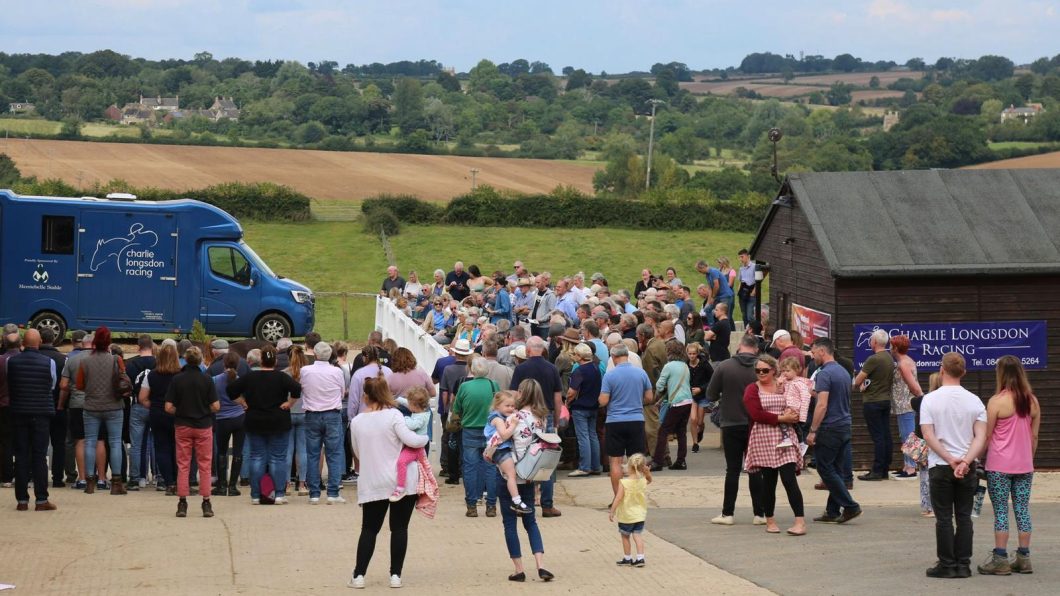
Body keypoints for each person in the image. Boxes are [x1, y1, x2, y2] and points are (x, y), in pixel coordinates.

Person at [348, 373, 429, 589]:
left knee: (369, 529)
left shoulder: (356, 422)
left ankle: (359, 575)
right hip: (401, 480)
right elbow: (411, 439)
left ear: (366, 396)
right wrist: (425, 438)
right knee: (399, 528)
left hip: (373, 480)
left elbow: (357, 451)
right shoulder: (394, 415)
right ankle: (395, 575)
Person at [920, 352, 987, 579]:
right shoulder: (975, 400)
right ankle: (963, 563)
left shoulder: (930, 399)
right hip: (967, 466)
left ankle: (947, 563)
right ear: (964, 372)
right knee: (964, 516)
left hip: (940, 464)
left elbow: (928, 435)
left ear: (942, 370)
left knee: (944, 518)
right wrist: (966, 460)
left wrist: (949, 459)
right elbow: (980, 437)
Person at [977, 355, 1040, 575]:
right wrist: (1027, 459)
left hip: (999, 466)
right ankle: (1024, 556)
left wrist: (979, 458)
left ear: (1001, 374)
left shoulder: (996, 401)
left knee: (1001, 511)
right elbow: (1033, 437)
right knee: (1022, 509)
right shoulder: (1031, 401)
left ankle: (1000, 558)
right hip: (1024, 465)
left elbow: (987, 435)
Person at [227, 344, 302, 505]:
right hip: (278, 420)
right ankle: (279, 493)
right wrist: (289, 403)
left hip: (255, 420)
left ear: (261, 361)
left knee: (257, 457)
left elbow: (231, 390)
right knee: (278, 458)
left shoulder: (250, 377)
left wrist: (242, 402)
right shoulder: (281, 377)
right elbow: (297, 388)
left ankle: (255, 495)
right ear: (275, 361)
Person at [497, 380, 554, 583]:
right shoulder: (542, 418)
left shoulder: (515, 416)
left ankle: (519, 568)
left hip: (511, 473)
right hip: (530, 473)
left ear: (523, 393)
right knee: (531, 521)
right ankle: (541, 564)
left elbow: (501, 439)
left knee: (510, 524)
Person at [743, 355, 806, 536]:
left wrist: (792, 414)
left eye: (765, 370)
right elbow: (755, 414)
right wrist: (780, 418)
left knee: (789, 479)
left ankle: (800, 521)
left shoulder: (784, 386)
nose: (761, 374)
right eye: (758, 371)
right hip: (763, 437)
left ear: (773, 370)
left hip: (785, 437)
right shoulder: (752, 389)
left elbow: (799, 398)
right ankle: (770, 520)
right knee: (768, 483)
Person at [706, 335, 765, 525]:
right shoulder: (763, 368)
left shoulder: (725, 366)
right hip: (756, 424)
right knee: (755, 469)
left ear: (740, 347)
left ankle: (727, 513)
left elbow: (711, 394)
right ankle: (760, 513)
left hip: (730, 422)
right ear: (756, 349)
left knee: (732, 469)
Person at [807, 338, 861, 524]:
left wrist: (813, 430)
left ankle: (850, 506)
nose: (812, 356)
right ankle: (832, 510)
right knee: (836, 470)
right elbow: (836, 396)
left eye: (813, 352)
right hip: (844, 424)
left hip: (830, 426)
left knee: (825, 468)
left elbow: (822, 405)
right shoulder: (843, 372)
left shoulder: (824, 373)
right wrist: (815, 392)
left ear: (822, 351)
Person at [509, 336, 564, 517]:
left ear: (528, 350)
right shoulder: (552, 369)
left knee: (523, 455)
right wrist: (556, 418)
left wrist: (514, 415)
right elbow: (558, 398)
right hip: (545, 414)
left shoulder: (521, 368)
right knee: (546, 459)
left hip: (525, 416)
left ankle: (524, 501)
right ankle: (547, 504)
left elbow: (514, 394)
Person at [165, 347, 220, 518]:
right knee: (204, 464)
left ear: (186, 359)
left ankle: (182, 501)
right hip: (203, 425)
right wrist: (204, 408)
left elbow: (168, 407)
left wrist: (181, 410)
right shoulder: (207, 379)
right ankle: (206, 501)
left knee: (183, 464)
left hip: (183, 425)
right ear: (201, 359)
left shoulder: (177, 379)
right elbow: (216, 406)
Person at [7, 329, 59, 511]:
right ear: (39, 342)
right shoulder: (49, 362)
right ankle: (41, 499)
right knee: (39, 456)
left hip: (18, 412)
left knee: (21, 455)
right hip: (41, 413)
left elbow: (10, 382)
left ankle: (21, 500)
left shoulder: (11, 362)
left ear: (23, 342)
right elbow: (52, 385)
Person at [75, 326, 127, 495]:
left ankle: (90, 481)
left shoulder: (85, 361)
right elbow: (123, 381)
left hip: (91, 406)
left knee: (90, 442)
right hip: (114, 406)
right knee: (115, 442)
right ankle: (117, 483)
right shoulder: (116, 360)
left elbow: (80, 385)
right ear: (109, 342)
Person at [599, 343, 653, 495]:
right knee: (635, 460)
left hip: (615, 421)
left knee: (615, 461)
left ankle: (619, 496)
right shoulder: (641, 374)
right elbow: (649, 397)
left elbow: (603, 400)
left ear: (614, 357)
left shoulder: (609, 375)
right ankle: (634, 494)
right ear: (627, 356)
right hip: (636, 419)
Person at [300, 341, 347, 504]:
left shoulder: (305, 370)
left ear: (315, 354)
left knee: (313, 454)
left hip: (312, 415)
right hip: (332, 414)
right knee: (334, 454)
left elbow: (303, 388)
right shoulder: (336, 371)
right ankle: (333, 492)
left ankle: (314, 493)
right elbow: (342, 392)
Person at [453, 357, 500, 517]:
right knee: (491, 468)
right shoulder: (494, 386)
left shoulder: (465, 387)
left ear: (472, 369)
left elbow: (457, 408)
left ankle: (472, 505)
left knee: (470, 468)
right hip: (491, 431)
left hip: (470, 430)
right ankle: (491, 505)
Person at [853, 329, 894, 481]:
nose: (870, 343)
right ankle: (884, 469)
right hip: (885, 399)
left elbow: (858, 380)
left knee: (877, 437)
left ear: (875, 342)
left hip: (872, 401)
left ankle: (876, 470)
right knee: (885, 434)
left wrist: (861, 384)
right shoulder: (889, 358)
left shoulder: (873, 359)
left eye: (871, 340)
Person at [140, 343, 181, 494]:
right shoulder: (180, 374)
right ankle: (178, 481)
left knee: (162, 448)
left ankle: (168, 482)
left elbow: (143, 398)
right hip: (177, 414)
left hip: (157, 414)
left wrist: (155, 405)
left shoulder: (151, 374)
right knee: (178, 448)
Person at [484, 390, 532, 514]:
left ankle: (514, 499)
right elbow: (504, 435)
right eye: (507, 406)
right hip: (500, 449)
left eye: (513, 406)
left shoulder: (503, 416)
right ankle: (517, 502)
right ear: (497, 406)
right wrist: (514, 424)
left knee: (509, 475)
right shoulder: (496, 419)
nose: (511, 408)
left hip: (504, 449)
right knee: (511, 474)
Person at [651, 341, 693, 472]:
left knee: (663, 431)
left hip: (676, 402)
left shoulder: (668, 366)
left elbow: (659, 385)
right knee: (681, 432)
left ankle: (657, 461)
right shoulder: (685, 366)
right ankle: (681, 461)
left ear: (669, 352)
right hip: (687, 401)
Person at [212, 351, 245, 497]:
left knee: (221, 451)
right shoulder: (241, 381)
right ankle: (232, 486)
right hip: (239, 417)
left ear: (223, 364)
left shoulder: (215, 380)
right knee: (238, 451)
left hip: (222, 418)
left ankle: (221, 484)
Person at [566, 343, 602, 477]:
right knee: (593, 435)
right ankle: (595, 466)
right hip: (593, 405)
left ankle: (585, 467)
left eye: (575, 354)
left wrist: (567, 402)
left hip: (580, 406)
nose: (574, 356)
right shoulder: (595, 367)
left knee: (583, 437)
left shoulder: (579, 371)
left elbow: (571, 392)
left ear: (580, 356)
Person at [890, 335, 924, 479]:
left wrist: (921, 398)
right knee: (906, 434)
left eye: (891, 346)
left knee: (908, 435)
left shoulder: (903, 364)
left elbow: (913, 385)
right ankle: (907, 465)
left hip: (906, 404)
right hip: (903, 405)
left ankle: (911, 468)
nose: (890, 349)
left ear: (896, 348)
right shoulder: (907, 361)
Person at [610, 453, 652, 567]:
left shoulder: (624, 482)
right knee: (637, 535)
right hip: (639, 514)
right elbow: (649, 480)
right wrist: (647, 473)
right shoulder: (642, 481)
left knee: (625, 536)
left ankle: (627, 557)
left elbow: (618, 498)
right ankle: (640, 558)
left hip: (626, 515)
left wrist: (612, 511)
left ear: (629, 467)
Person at [390, 387, 431, 502]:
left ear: (416, 406)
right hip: (416, 446)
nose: (408, 406)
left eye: (410, 404)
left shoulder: (421, 417)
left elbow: (411, 425)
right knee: (422, 469)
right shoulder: (421, 410)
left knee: (401, 461)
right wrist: (397, 399)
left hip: (414, 448)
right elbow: (407, 403)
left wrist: (403, 417)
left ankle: (400, 487)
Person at [284, 346, 309, 496]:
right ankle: (302, 484)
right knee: (302, 450)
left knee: (288, 450)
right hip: (304, 412)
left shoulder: (284, 374)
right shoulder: (308, 373)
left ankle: (287, 483)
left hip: (288, 411)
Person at [777, 357, 811, 448]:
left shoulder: (800, 383)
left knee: (798, 429)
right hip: (786, 408)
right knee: (787, 426)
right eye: (783, 371)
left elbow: (805, 398)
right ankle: (788, 439)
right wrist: (779, 385)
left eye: (788, 370)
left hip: (796, 410)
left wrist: (803, 417)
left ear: (796, 370)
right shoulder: (785, 382)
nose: (784, 373)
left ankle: (801, 444)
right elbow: (780, 393)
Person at [685, 343, 713, 453]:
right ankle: (695, 443)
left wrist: (701, 389)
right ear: (687, 354)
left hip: (702, 395)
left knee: (700, 421)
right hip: (690, 395)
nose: (692, 356)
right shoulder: (685, 365)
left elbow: (712, 379)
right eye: (690, 354)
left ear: (697, 354)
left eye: (694, 354)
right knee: (693, 419)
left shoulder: (704, 364)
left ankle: (701, 430)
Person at [736, 249, 756, 325]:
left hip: (751, 293)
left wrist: (753, 292)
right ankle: (746, 330)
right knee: (744, 315)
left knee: (749, 316)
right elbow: (740, 281)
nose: (740, 259)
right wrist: (738, 292)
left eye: (742, 257)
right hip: (742, 293)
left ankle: (754, 331)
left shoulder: (754, 267)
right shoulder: (741, 269)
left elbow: (758, 281)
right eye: (739, 257)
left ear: (748, 256)